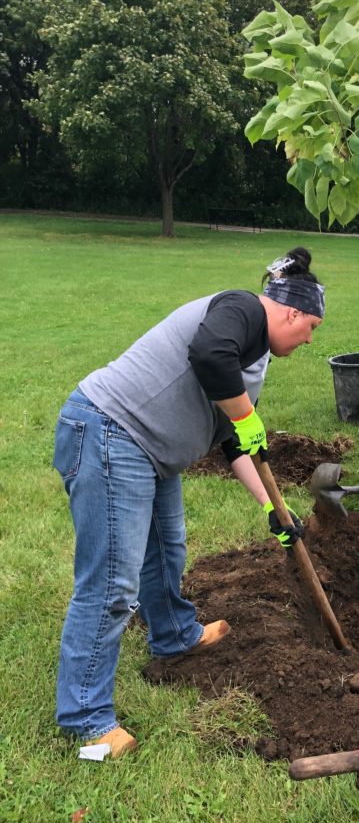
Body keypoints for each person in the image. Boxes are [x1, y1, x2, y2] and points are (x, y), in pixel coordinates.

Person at [53, 248, 325, 758]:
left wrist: (273, 507)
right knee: (112, 581)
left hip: (148, 452)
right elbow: (207, 355)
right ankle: (85, 718)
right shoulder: (241, 309)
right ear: (289, 312)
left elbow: (236, 443)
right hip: (110, 433)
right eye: (310, 326)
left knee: (167, 551)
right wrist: (246, 418)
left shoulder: (256, 357)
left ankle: (175, 634)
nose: (310, 338)